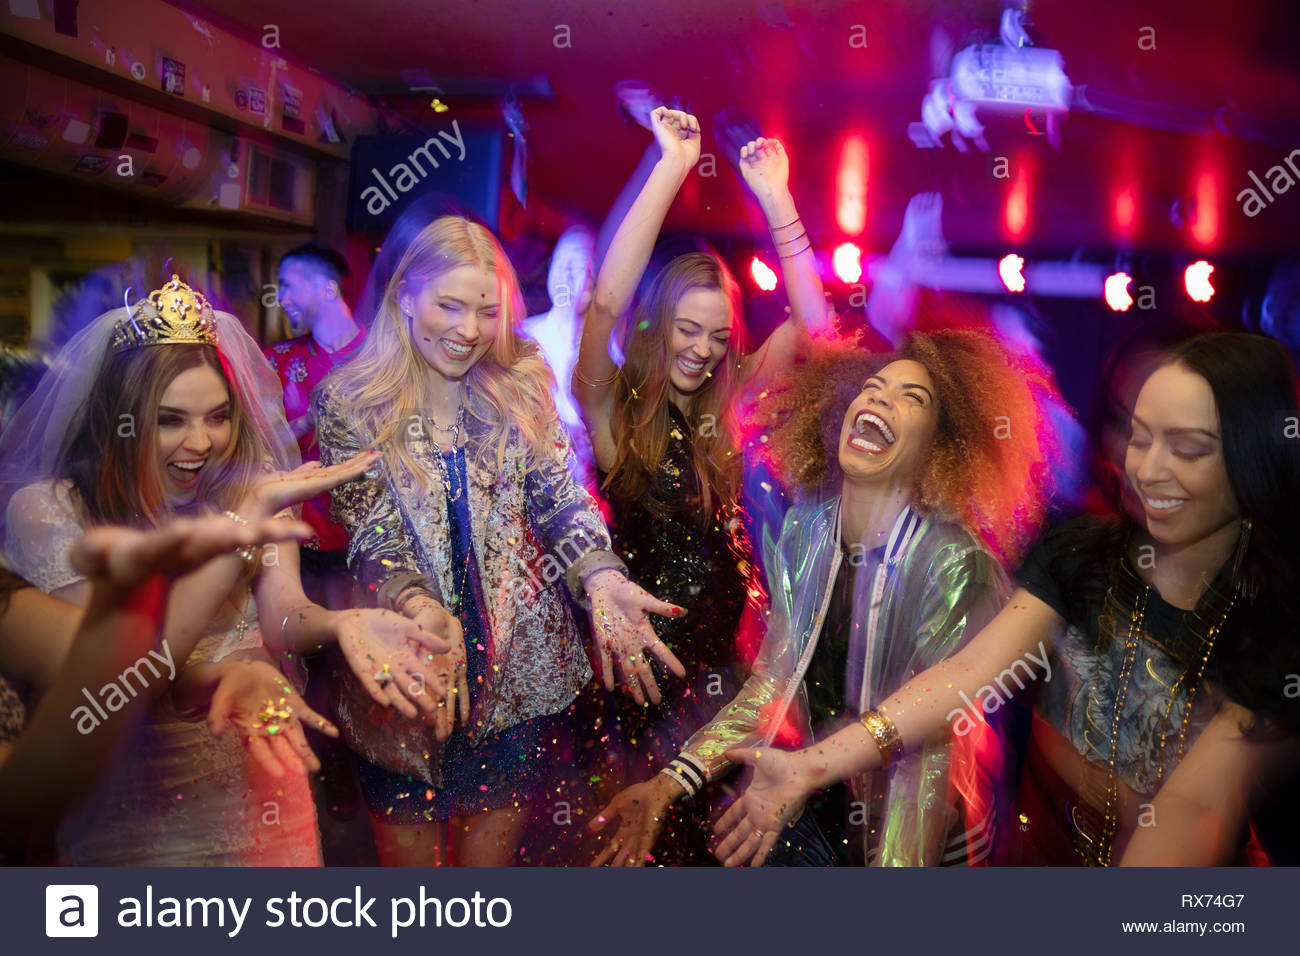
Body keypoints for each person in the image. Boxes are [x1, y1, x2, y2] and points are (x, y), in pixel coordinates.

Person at [713, 332, 1300, 867]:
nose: (1147, 469)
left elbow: (1194, 809)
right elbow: (967, 674)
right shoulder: (1080, 555)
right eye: (1139, 438)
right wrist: (807, 768)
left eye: (1189, 450)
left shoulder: (1277, 624)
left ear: (1255, 455)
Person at [0, 275, 447, 865]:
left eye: (217, 417)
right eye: (170, 420)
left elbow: (285, 614)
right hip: (133, 806)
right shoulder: (54, 510)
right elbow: (120, 677)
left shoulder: (248, 487)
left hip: (263, 779)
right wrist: (243, 527)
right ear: (119, 419)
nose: (200, 442)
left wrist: (342, 623)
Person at [591, 328, 1061, 866]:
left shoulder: (954, 565)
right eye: (874, 386)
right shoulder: (807, 528)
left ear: (940, 446)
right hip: (819, 804)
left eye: (913, 397)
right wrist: (671, 782)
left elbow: (929, 757)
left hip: (920, 837)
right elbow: (775, 680)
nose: (880, 396)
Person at [314, 214, 684, 866]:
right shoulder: (349, 401)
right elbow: (373, 533)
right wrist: (420, 609)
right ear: (405, 294)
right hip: (407, 675)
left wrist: (602, 574)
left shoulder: (519, 380)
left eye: (486, 311)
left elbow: (556, 495)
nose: (467, 330)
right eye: (449, 305)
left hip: (514, 679)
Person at [571, 107, 829, 862]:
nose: (703, 350)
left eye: (718, 336)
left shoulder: (735, 407)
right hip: (637, 686)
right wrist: (671, 166)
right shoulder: (612, 409)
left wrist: (777, 200)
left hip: (723, 686)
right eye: (687, 330)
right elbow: (604, 304)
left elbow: (820, 335)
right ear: (657, 324)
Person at [0, 513, 335, 862]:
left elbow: (127, 682)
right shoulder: (46, 511)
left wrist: (219, 675)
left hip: (251, 786)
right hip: (139, 813)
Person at [265, 243, 367, 605]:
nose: (280, 297)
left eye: (287, 284)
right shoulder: (275, 360)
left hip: (370, 542)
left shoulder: (383, 361)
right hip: (292, 539)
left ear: (329, 288)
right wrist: (299, 424)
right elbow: (252, 446)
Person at [522, 225, 597, 475]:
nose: (564, 273)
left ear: (593, 282)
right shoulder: (521, 336)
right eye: (560, 261)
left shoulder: (610, 359)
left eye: (575, 266)